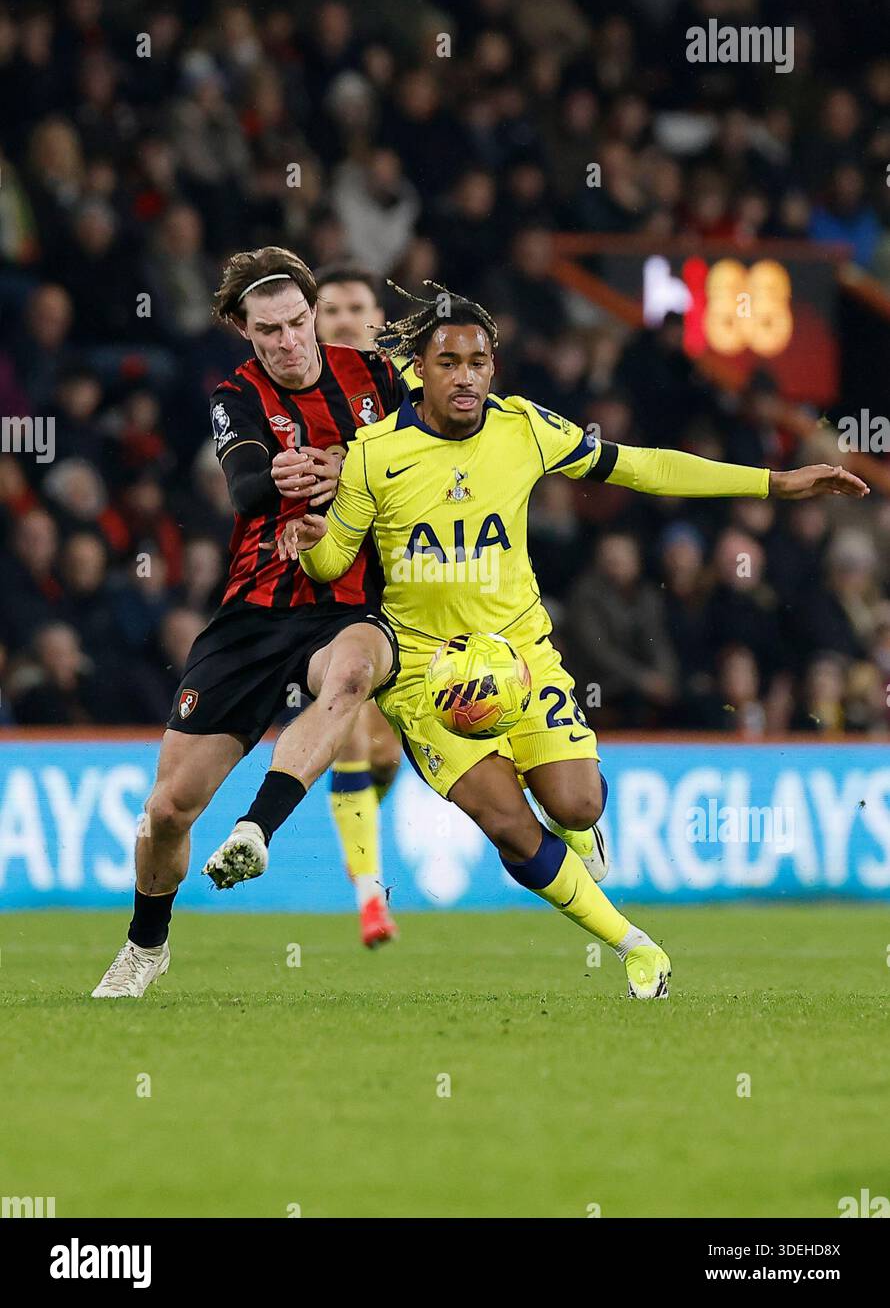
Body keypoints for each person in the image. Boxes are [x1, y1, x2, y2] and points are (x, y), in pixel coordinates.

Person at [230, 283, 868, 999]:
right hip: (426, 678)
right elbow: (334, 561)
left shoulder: (526, 429)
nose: (465, 376)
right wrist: (311, 541)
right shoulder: (377, 454)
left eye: (478, 361)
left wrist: (773, 484)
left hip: (521, 659)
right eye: (448, 362)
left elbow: (641, 465)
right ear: (421, 369)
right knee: (506, 823)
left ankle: (583, 822)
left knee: (576, 806)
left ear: (493, 366)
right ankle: (635, 945)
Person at [91, 247, 405, 999]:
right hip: (256, 616)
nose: (290, 341)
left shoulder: (379, 379)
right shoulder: (235, 393)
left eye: (300, 322)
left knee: (352, 674)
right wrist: (282, 477)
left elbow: (428, 459)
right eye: (270, 331)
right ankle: (147, 944)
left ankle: (256, 828)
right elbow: (243, 486)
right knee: (168, 810)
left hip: (350, 604)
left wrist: (347, 469)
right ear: (242, 328)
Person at [311, 263, 404, 945]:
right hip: (331, 587)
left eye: (357, 309)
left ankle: (367, 869)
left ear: (380, 320)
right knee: (354, 727)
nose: (344, 320)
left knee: (385, 759)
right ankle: (371, 898)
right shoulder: (289, 391)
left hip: (409, 585)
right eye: (331, 310)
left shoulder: (405, 391)